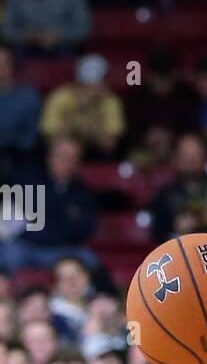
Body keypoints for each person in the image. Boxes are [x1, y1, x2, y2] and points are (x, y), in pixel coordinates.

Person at [0, 135, 99, 275]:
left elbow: (85, 229)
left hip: (63, 250)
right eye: (63, 156)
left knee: (88, 257)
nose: (68, 162)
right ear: (51, 157)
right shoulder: (28, 179)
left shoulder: (82, 192)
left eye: (73, 158)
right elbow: (10, 219)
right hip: (28, 247)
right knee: (9, 253)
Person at [40, 53, 126, 158]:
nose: (105, 86)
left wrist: (91, 111)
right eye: (102, 81)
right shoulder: (60, 97)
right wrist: (78, 110)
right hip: (65, 154)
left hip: (97, 156)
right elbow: (52, 141)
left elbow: (108, 146)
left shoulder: (110, 100)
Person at [0, 44, 42, 160]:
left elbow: (31, 136)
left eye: (4, 65)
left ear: (12, 67)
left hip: (20, 157)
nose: (1, 70)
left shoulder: (29, 96)